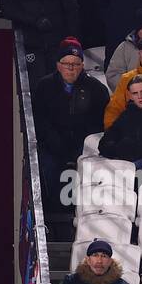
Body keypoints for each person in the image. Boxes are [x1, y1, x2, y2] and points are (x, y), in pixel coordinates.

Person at [33, 41, 110, 222]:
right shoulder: (44, 86)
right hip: (51, 145)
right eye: (67, 64)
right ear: (58, 65)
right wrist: (54, 141)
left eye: (76, 64)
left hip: (84, 146)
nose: (71, 68)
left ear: (83, 66)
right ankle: (52, 214)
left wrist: (83, 144)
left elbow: (99, 123)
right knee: (49, 169)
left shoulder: (97, 89)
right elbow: (40, 119)